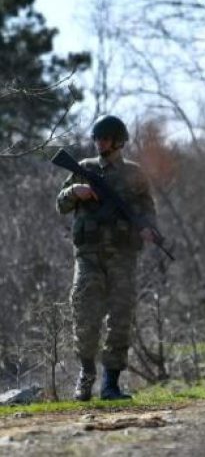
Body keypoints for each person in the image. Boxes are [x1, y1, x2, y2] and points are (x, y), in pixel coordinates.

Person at [56, 115, 157, 401]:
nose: (99, 143)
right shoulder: (84, 169)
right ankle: (86, 376)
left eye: (105, 138)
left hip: (123, 257)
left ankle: (111, 384)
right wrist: (74, 191)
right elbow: (60, 204)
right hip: (88, 257)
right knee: (85, 317)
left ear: (118, 141)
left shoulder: (135, 174)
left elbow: (148, 210)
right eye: (97, 138)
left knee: (121, 320)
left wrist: (149, 229)